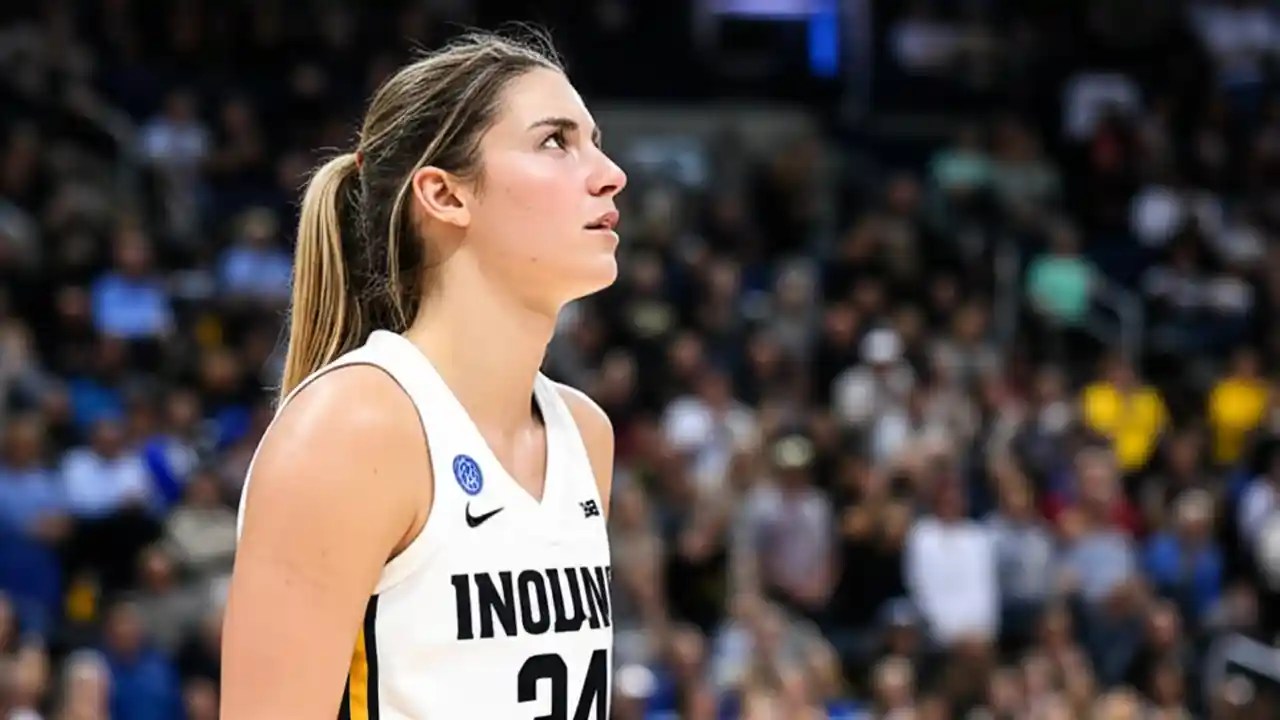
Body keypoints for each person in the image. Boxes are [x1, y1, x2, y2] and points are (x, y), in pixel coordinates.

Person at [220, 28, 626, 719]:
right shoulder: (357, 427)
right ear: (443, 194)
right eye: (555, 142)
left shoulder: (585, 433)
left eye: (593, 140)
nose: (609, 171)